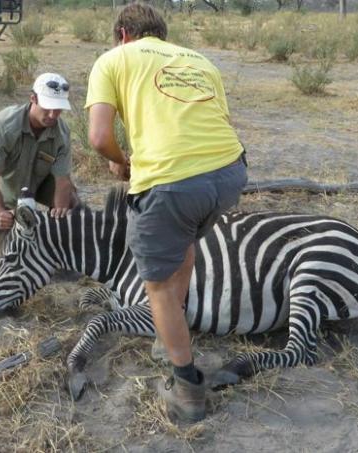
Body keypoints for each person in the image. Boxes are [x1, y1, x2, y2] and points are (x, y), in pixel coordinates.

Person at [85, 4, 247, 423]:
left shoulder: (112, 59)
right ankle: (167, 333)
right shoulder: (199, 60)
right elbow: (219, 121)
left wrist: (124, 163)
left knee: (155, 284)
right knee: (185, 243)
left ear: (123, 34)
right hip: (230, 174)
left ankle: (187, 387)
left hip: (172, 182)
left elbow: (100, 137)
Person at [0, 72, 79, 229]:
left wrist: (60, 217)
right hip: (7, 187)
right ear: (33, 99)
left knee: (71, 204)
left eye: (58, 109)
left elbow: (62, 181)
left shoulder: (62, 133)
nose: (53, 115)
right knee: (6, 233)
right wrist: (1, 212)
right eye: (48, 107)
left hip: (41, 182)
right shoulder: (3, 125)